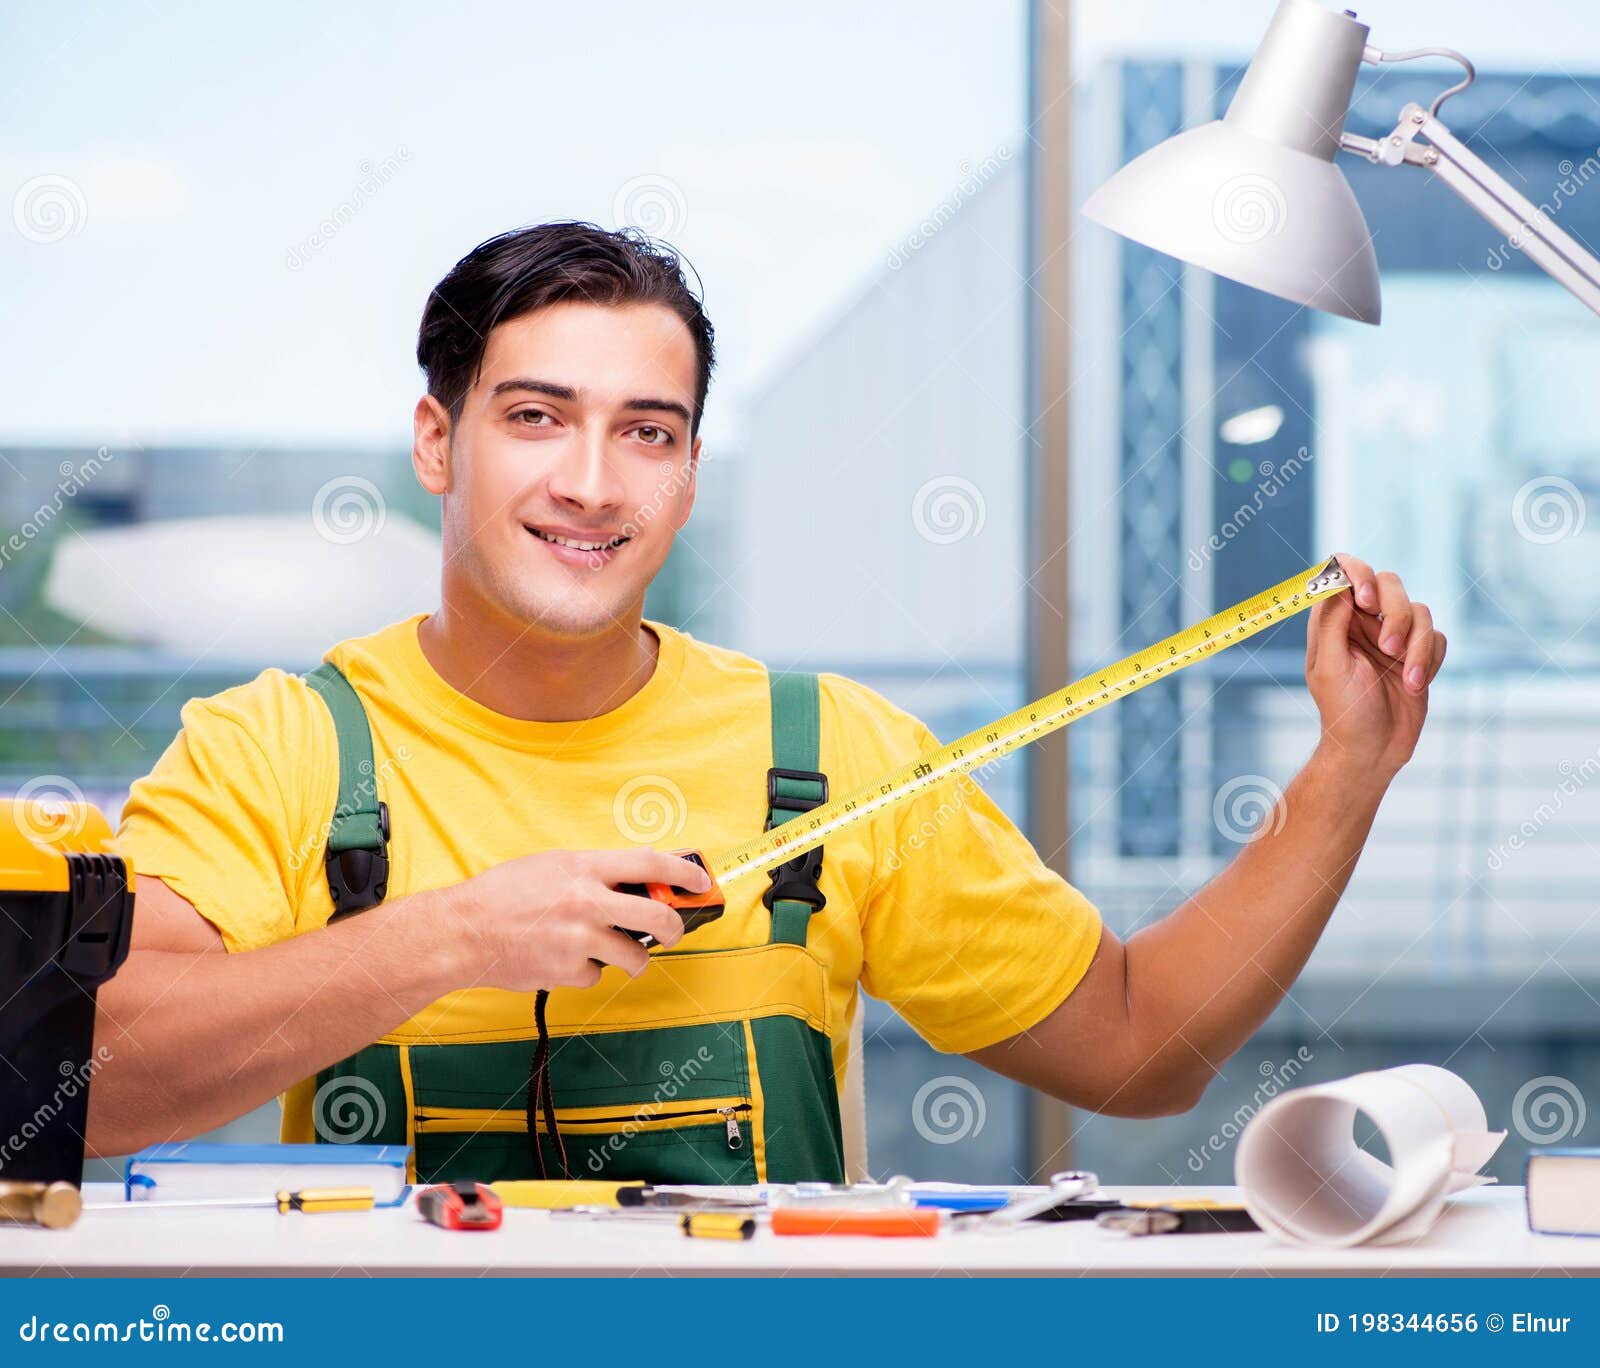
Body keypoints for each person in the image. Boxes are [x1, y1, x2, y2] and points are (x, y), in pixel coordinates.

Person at [90, 221, 1446, 1184]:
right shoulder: (277, 750)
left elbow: (1142, 1049)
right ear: (438, 442)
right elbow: (86, 1083)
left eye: (648, 432)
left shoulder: (834, 752)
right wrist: (451, 939)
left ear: (687, 475)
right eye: (536, 417)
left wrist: (1349, 770)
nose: (592, 483)